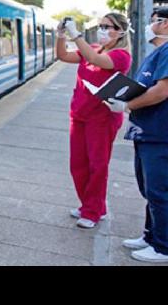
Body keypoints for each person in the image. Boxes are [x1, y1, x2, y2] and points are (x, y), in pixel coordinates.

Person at [105, 6, 168, 263]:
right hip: (150, 132)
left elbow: (164, 90)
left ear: (165, 23)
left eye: (152, 21)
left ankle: (164, 248)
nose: (148, 25)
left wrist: (127, 105)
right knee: (150, 190)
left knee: (160, 191)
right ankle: (150, 236)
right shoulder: (161, 52)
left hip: (165, 134)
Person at [57, 13, 132, 229]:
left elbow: (95, 60)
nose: (102, 29)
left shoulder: (121, 56)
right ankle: (89, 205)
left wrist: (76, 34)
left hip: (102, 119)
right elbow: (63, 56)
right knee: (78, 165)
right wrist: (61, 35)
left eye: (108, 26)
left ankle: (93, 211)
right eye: (100, 25)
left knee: (97, 165)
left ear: (120, 32)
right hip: (79, 114)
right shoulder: (94, 47)